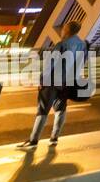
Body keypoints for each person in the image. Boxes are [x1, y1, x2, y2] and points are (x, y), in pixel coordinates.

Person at [17, 22, 89, 150]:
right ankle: (54, 139)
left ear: (67, 30)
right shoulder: (82, 45)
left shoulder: (61, 44)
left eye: (63, 29)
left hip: (52, 82)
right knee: (60, 109)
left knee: (43, 110)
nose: (62, 31)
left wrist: (42, 81)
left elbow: (50, 64)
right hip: (67, 83)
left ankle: (33, 140)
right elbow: (81, 63)